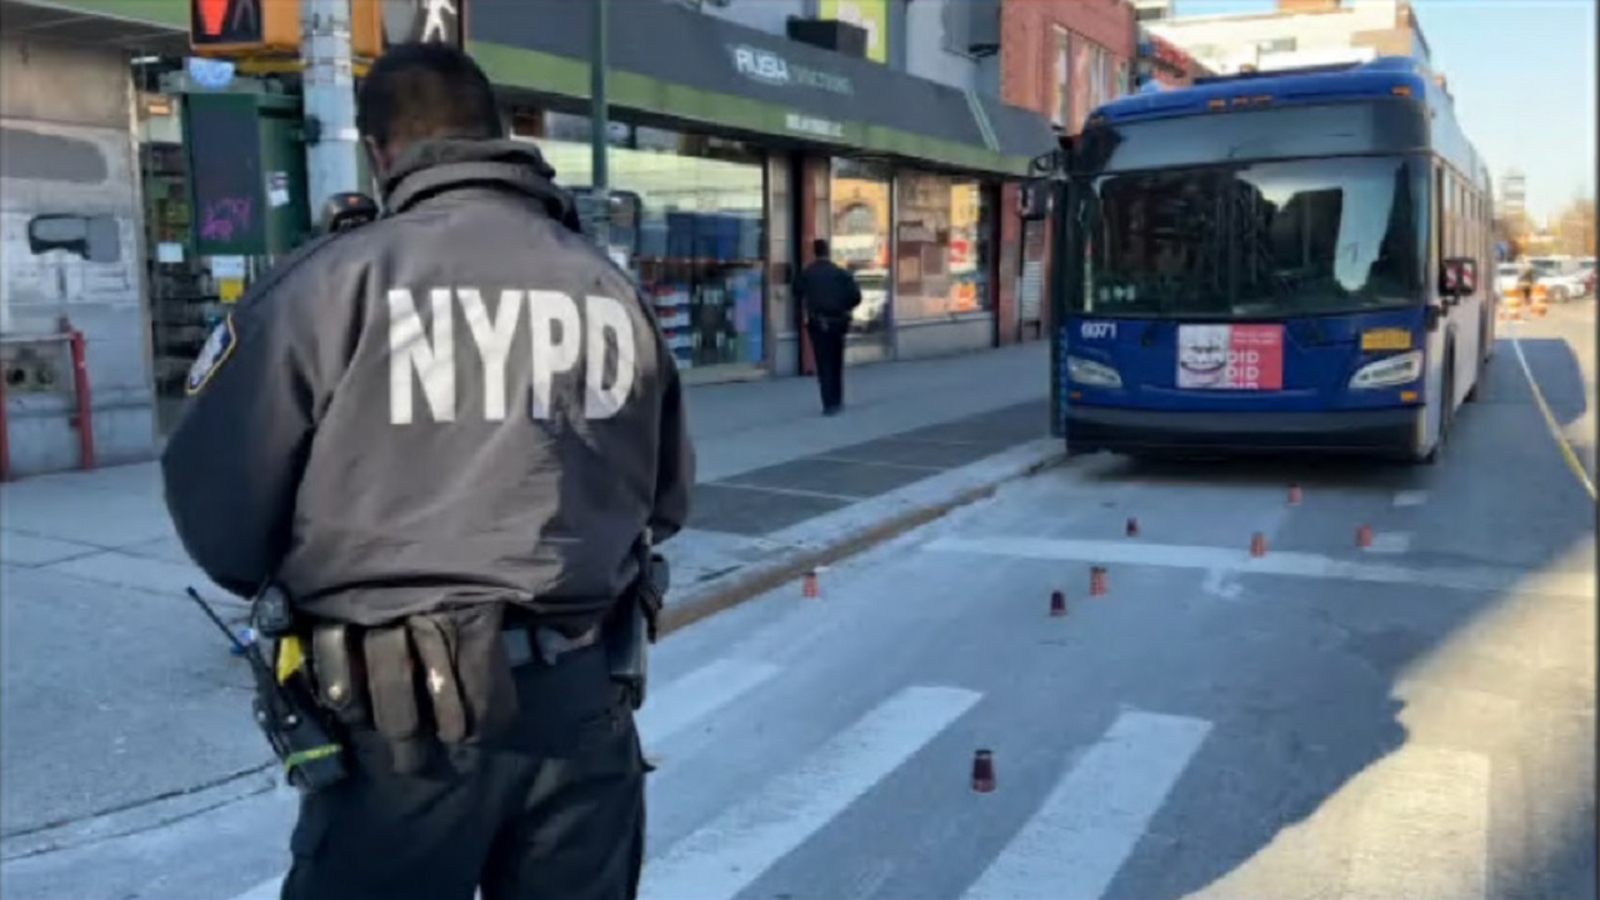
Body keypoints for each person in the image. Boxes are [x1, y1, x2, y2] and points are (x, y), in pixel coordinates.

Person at [159, 42, 693, 900]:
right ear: (499, 135)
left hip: (406, 729)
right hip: (585, 699)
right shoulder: (607, 284)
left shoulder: (329, 283)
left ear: (380, 152)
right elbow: (667, 498)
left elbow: (217, 506)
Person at [792, 238, 862, 415]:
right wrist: (843, 307)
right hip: (838, 322)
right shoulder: (840, 273)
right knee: (836, 361)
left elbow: (796, 291)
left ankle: (828, 403)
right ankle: (837, 399)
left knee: (823, 364)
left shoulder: (808, 274)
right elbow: (856, 297)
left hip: (818, 322)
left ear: (814, 252)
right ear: (828, 252)